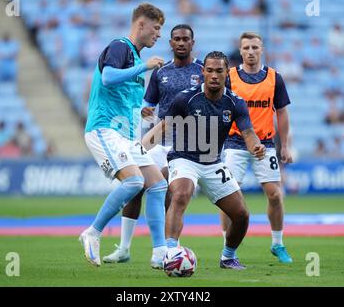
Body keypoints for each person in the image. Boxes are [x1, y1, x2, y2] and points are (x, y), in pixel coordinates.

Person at [142, 51, 266, 270]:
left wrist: (255, 145)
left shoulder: (235, 102)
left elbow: (248, 133)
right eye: (210, 70)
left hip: (213, 163)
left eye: (219, 71)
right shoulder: (185, 98)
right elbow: (163, 127)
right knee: (180, 194)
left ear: (226, 73)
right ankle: (171, 253)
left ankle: (228, 257)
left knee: (241, 215)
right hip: (184, 158)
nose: (214, 75)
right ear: (203, 72)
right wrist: (139, 149)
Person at [103, 24, 204, 264]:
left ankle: (169, 248)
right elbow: (147, 106)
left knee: (169, 186)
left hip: (190, 144)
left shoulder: (203, 71)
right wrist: (146, 112)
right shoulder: (160, 72)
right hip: (159, 140)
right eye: (176, 39)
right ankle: (125, 248)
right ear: (170, 43)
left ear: (192, 42)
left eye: (185, 39)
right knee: (136, 185)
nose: (180, 43)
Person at [80, 3, 168, 268]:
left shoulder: (136, 58)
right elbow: (107, 77)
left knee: (157, 184)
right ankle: (92, 233)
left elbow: (120, 95)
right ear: (141, 25)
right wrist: (144, 68)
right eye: (156, 28)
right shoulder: (120, 46)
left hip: (124, 136)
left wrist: (142, 113)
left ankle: (160, 252)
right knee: (133, 183)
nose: (159, 34)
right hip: (103, 129)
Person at [221, 32, 294, 263]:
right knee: (227, 196)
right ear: (240, 51)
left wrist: (286, 146)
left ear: (261, 50)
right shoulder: (229, 77)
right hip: (235, 143)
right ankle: (227, 245)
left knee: (275, 195)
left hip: (265, 144)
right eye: (246, 48)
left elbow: (281, 112)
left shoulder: (275, 78)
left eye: (255, 47)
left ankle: (277, 243)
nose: (251, 52)